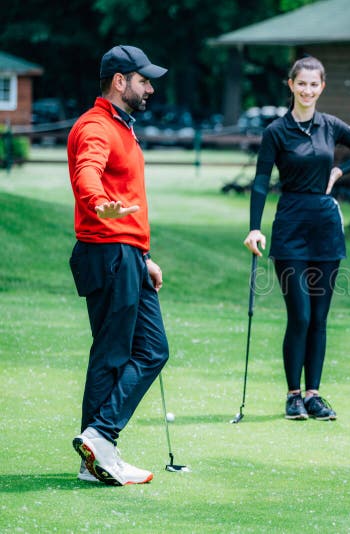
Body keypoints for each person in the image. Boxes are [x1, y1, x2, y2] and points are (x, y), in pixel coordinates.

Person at [244, 56, 350, 421]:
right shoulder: (276, 131)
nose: (307, 90)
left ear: (322, 87)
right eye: (301, 83)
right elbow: (260, 181)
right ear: (291, 85)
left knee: (319, 316)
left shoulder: (330, 126)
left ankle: (314, 395)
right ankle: (293, 395)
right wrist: (255, 227)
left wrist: (339, 168)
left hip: (325, 228)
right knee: (299, 315)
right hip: (290, 228)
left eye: (314, 84)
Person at [68, 45, 169, 485]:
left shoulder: (122, 128)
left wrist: (144, 257)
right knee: (112, 355)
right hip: (107, 252)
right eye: (143, 79)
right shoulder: (96, 127)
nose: (150, 87)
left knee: (152, 349)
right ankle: (100, 448)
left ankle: (99, 444)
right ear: (119, 81)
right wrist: (102, 205)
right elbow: (87, 172)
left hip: (128, 255)